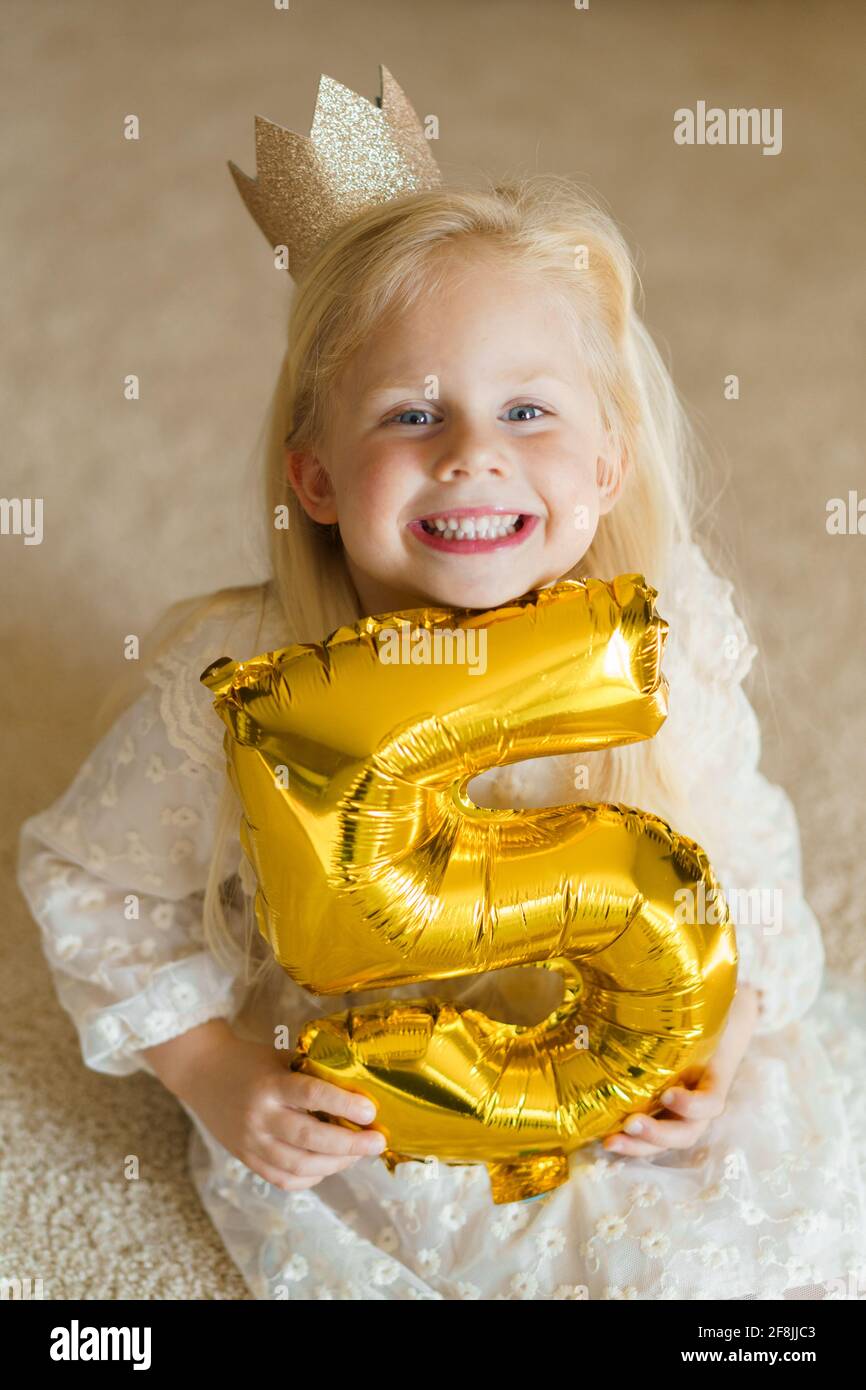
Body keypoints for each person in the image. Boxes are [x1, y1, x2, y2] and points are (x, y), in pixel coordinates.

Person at [16, 68, 866, 1300]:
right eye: (411, 415)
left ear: (609, 462)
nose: (472, 454)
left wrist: (722, 1043)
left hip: (621, 1050)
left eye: (526, 409)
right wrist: (213, 1073)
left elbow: (740, 855)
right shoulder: (241, 693)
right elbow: (90, 881)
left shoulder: (661, 647)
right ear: (313, 476)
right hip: (399, 1097)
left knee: (758, 1245)